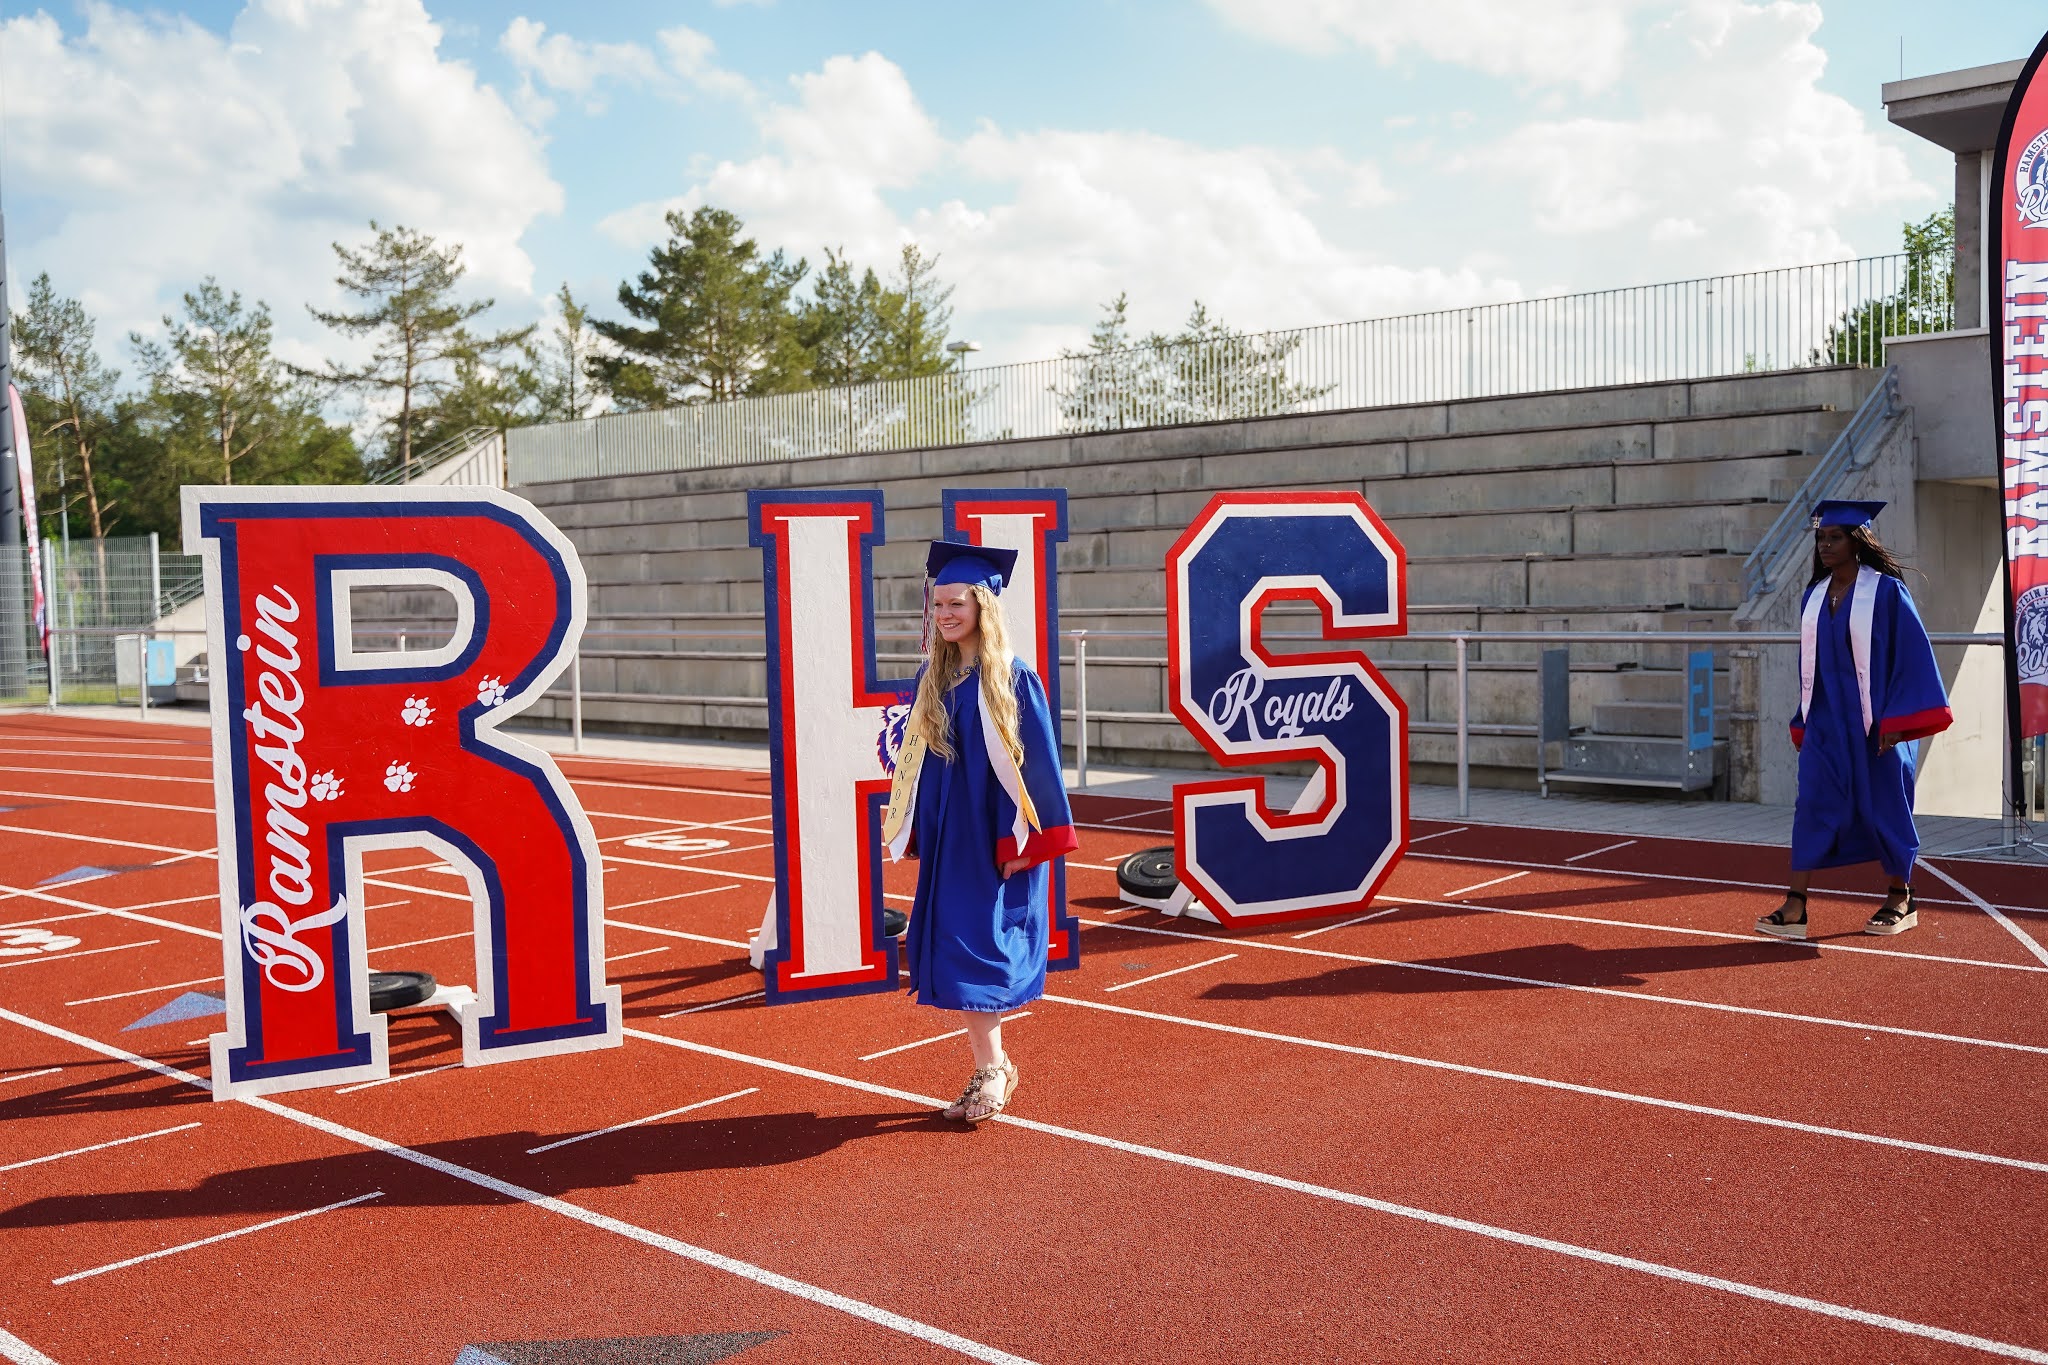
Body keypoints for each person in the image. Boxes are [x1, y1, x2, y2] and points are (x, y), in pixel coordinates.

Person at [882, 540, 1076, 1123]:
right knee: (953, 943)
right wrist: (914, 824)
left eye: (956, 603)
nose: (944, 614)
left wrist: (1026, 844)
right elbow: (918, 761)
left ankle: (992, 1069)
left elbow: (1039, 764)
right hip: (949, 834)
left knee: (979, 945)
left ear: (983, 605)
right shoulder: (935, 678)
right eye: (937, 604)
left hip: (993, 834)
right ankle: (990, 1064)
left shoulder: (1012, 679)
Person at [1756, 500, 1951, 941]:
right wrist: (1804, 719)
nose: (1825, 545)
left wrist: (1898, 721)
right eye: (1821, 538)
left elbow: (1912, 657)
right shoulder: (1814, 597)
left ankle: (1901, 896)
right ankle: (1795, 906)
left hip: (1877, 721)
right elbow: (1810, 667)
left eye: (1835, 537)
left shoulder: (1885, 592)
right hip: (1826, 722)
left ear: (1857, 541)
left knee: (1886, 804)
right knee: (1812, 804)